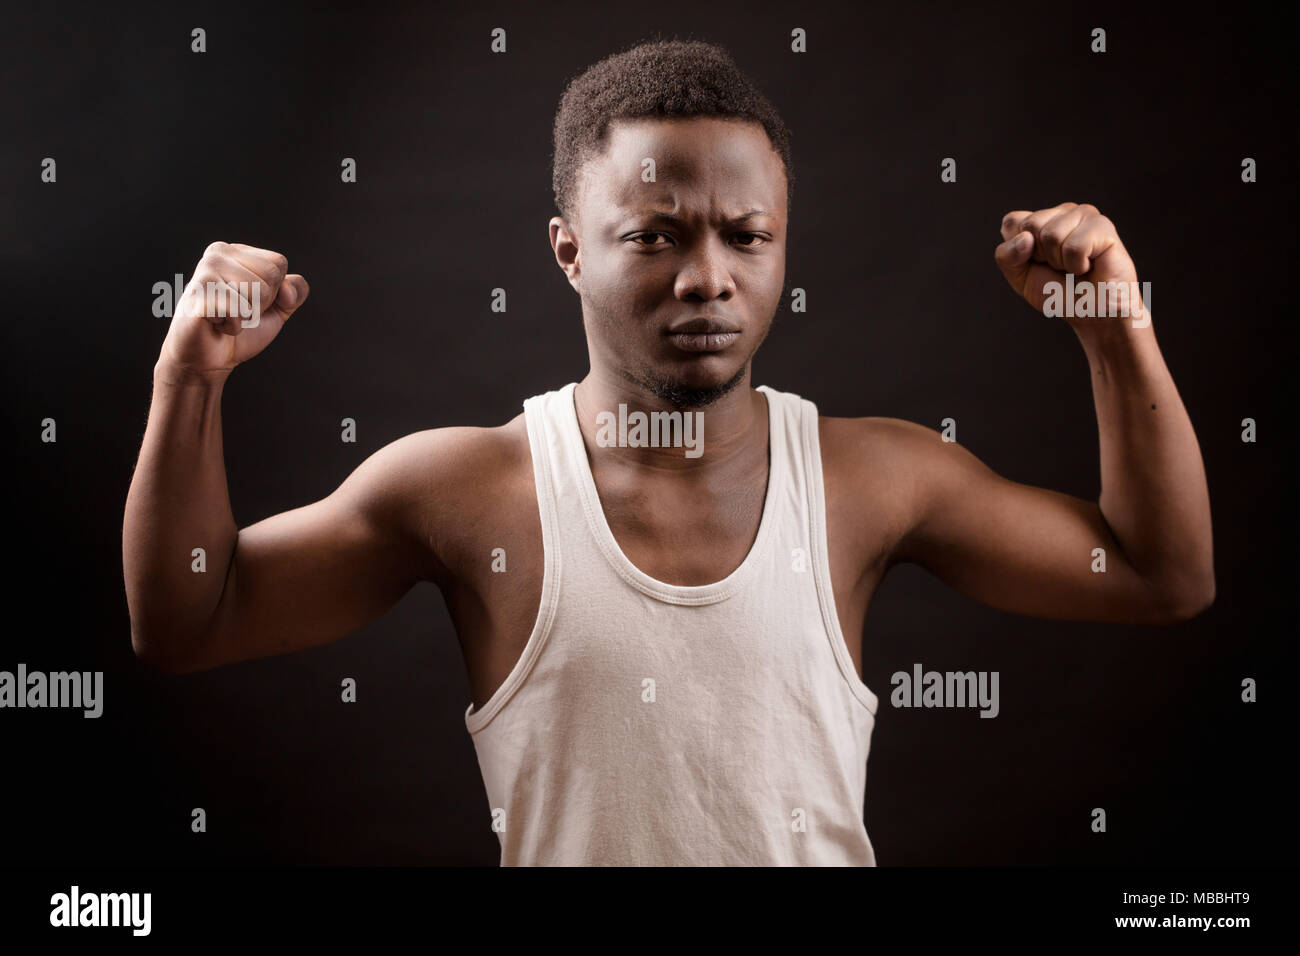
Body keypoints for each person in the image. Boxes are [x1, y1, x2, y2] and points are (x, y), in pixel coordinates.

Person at [122, 39, 1214, 866]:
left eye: (745, 235)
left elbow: (1160, 574)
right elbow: (189, 617)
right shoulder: (471, 488)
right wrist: (189, 382)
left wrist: (1113, 326)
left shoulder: (872, 478)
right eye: (654, 234)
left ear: (781, 241)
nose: (707, 277)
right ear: (566, 252)